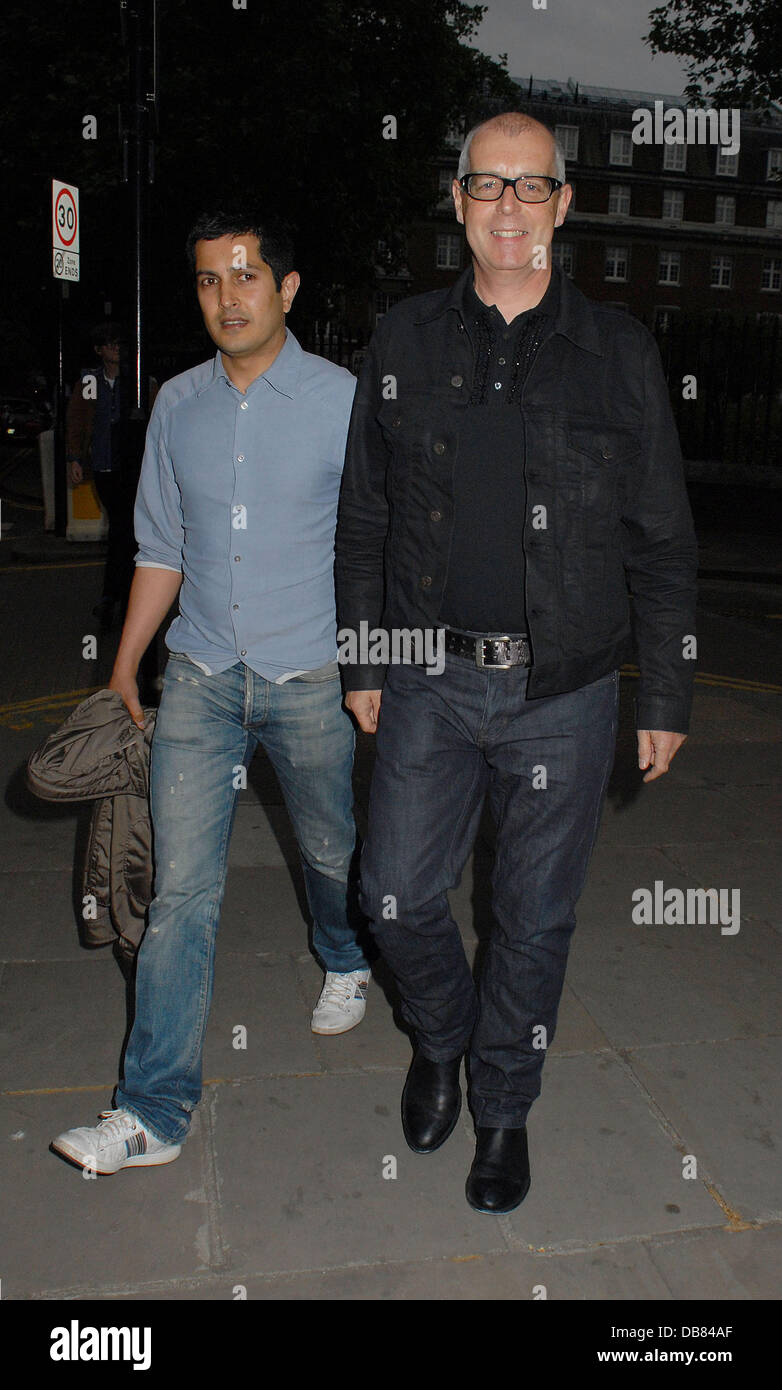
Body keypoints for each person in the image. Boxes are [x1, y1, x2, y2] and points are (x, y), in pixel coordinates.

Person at [335, 113, 698, 1214]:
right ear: (455, 201)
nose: (505, 206)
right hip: (425, 675)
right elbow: (365, 516)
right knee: (391, 896)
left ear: (561, 204)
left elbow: (663, 539)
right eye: (485, 185)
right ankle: (438, 1038)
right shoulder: (399, 339)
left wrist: (666, 691)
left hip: (566, 687)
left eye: (528, 187)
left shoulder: (620, 352)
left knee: (532, 920)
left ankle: (501, 1107)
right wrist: (363, 656)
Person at [52, 210, 371, 1175]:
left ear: (287, 287)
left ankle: (345, 954)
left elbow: (376, 548)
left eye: (244, 277)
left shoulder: (345, 402)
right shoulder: (178, 405)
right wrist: (123, 665)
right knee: (180, 894)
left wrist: (374, 671)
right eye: (206, 281)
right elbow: (160, 547)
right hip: (197, 673)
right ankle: (152, 1109)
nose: (226, 297)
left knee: (330, 850)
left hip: (311, 675)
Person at [66, 323, 156, 626]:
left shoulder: (140, 381)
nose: (116, 348)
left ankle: (113, 596)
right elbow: (76, 420)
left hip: (135, 468)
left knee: (123, 530)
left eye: (119, 343)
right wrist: (75, 458)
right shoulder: (89, 382)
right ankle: (121, 596)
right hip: (105, 465)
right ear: (99, 350)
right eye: (109, 343)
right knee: (123, 529)